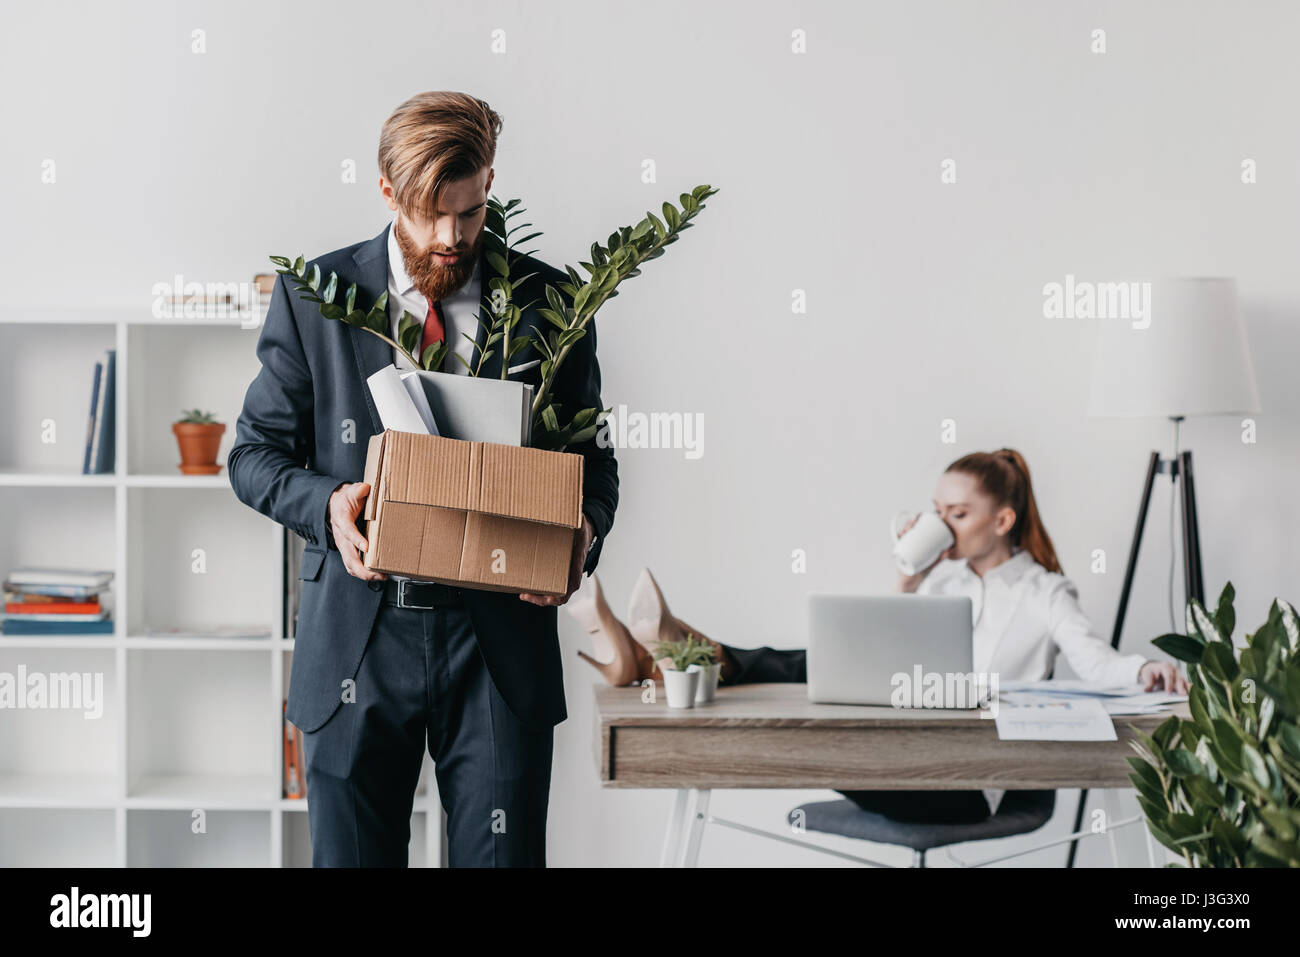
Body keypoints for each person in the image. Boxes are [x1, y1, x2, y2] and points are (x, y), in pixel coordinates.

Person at [229, 91, 618, 866]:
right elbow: (251, 455)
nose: (451, 238)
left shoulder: (553, 306)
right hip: (357, 640)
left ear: (489, 187)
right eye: (430, 214)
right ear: (386, 191)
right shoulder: (315, 300)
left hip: (498, 642)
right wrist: (329, 505)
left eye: (470, 214)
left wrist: (585, 529)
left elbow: (596, 461)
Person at [568, 448, 1185, 825]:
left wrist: (1142, 673)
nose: (943, 524)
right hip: (904, 743)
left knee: (797, 732)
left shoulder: (1045, 593)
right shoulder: (943, 579)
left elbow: (1094, 661)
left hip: (968, 780)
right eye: (937, 511)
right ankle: (666, 653)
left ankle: (662, 659)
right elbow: (877, 659)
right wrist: (907, 578)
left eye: (958, 515)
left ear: (1003, 520)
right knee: (814, 660)